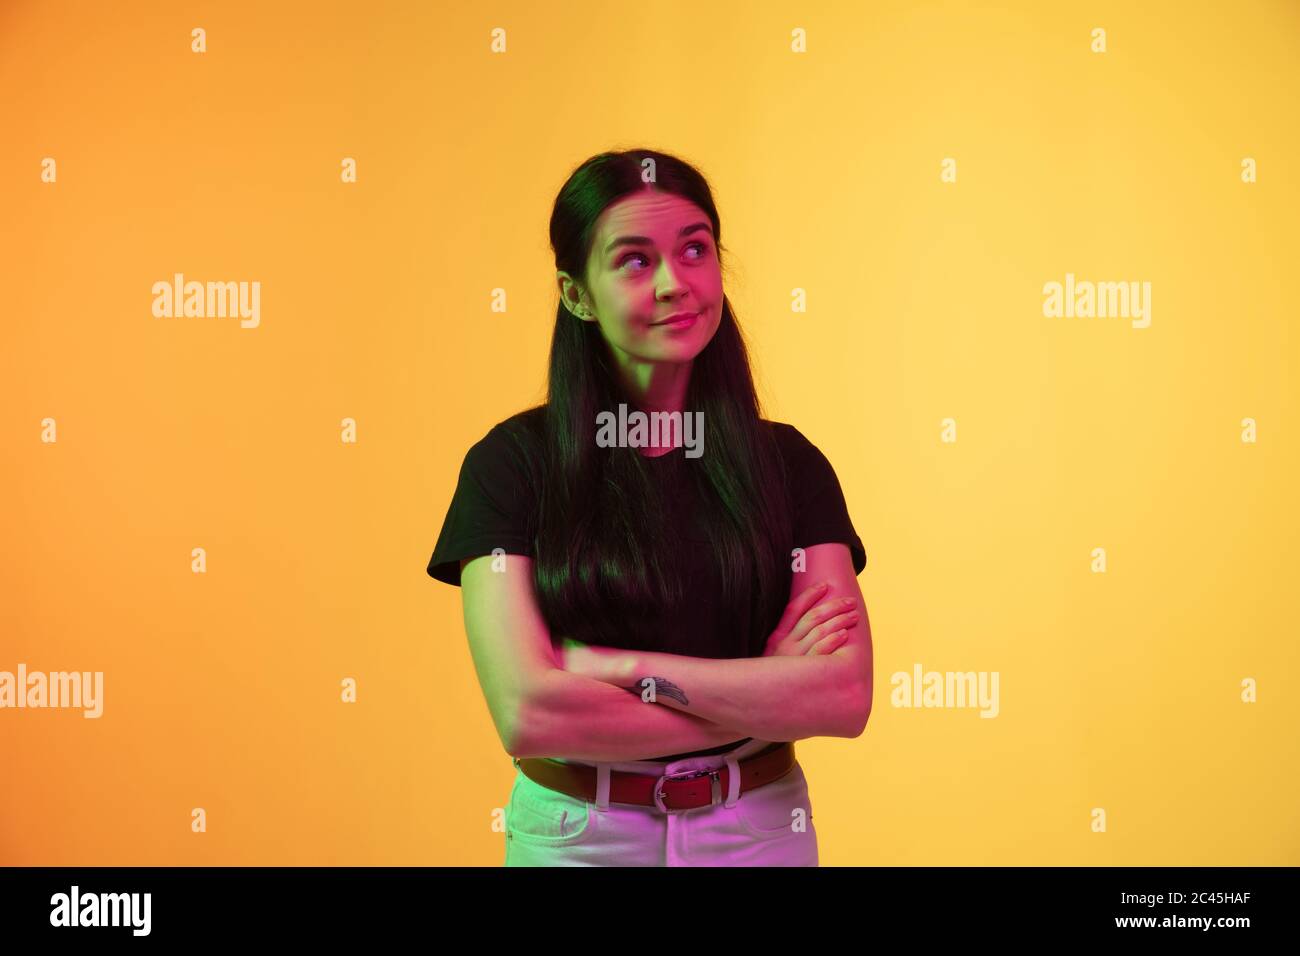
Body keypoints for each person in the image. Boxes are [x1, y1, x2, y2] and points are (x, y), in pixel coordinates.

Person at [427, 148, 872, 866]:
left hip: (756, 832)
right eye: (635, 261)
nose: (674, 283)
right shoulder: (511, 465)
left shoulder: (790, 466)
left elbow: (843, 697)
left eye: (694, 250)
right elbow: (530, 713)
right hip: (577, 838)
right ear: (576, 294)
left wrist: (619, 666)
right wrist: (762, 688)